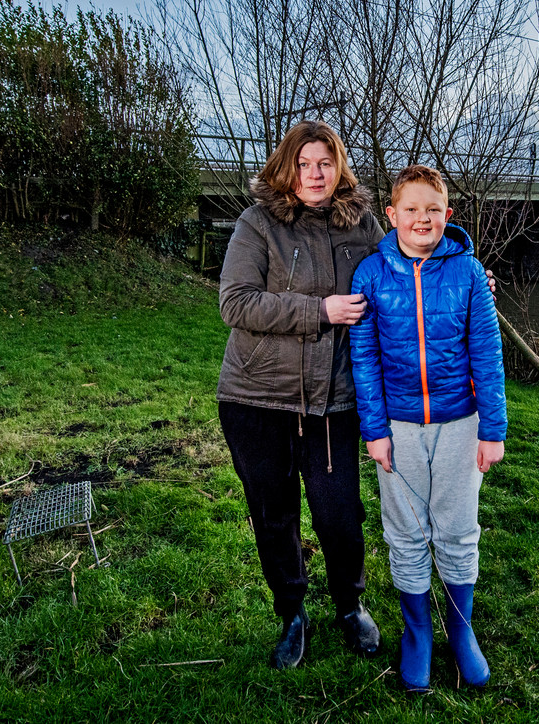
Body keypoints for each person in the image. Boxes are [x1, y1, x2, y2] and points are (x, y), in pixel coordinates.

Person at [216, 120, 383, 669]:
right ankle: (292, 612)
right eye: (305, 164)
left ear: (340, 168)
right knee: (274, 514)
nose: (315, 174)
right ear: (288, 167)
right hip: (257, 398)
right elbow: (235, 303)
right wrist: (320, 311)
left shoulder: (363, 225)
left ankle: (348, 604)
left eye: (326, 164)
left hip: (334, 398)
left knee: (339, 513)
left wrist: (463, 274)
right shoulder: (257, 223)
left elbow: (403, 278)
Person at [349, 165, 508, 691]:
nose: (423, 219)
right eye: (411, 209)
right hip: (397, 427)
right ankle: (417, 632)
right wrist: (374, 430)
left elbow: (487, 354)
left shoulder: (467, 274)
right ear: (392, 215)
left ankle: (461, 631)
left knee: (458, 530)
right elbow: (365, 359)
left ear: (448, 216)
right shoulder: (371, 275)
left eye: (433, 210)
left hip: (461, 424)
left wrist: (493, 428)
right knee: (407, 533)